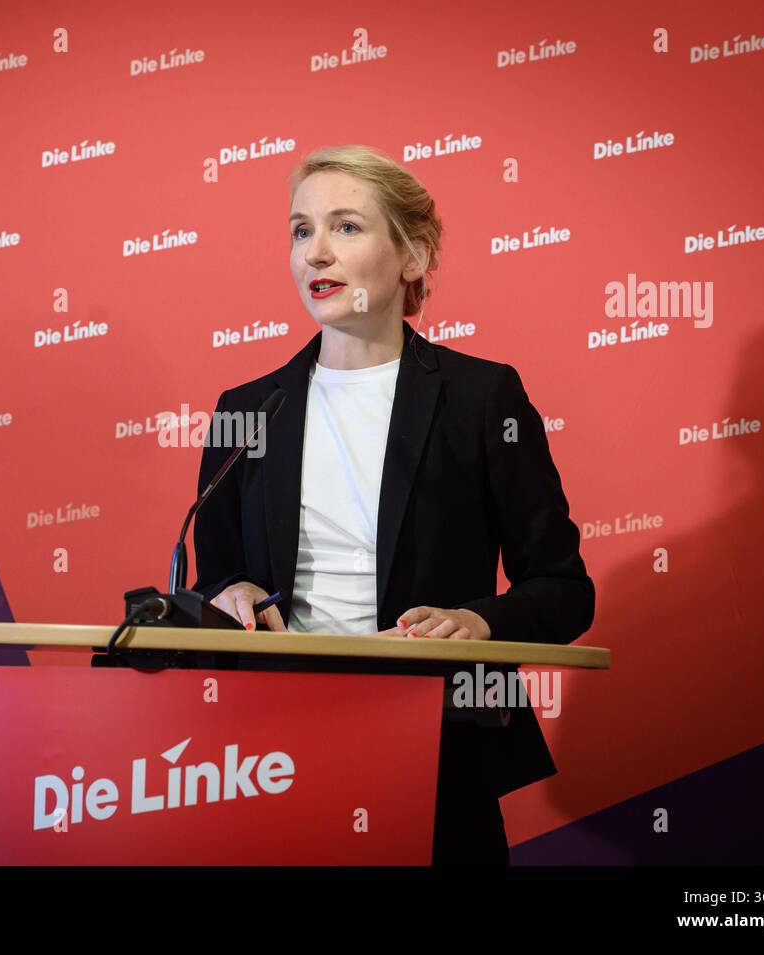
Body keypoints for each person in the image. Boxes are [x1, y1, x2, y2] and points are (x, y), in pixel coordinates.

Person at [190, 144, 595, 865]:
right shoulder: (244, 409)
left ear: (412, 256)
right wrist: (231, 591)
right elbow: (214, 579)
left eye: (346, 227)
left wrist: (480, 619)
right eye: (300, 230)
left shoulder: (482, 398)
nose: (316, 253)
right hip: (274, 753)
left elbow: (564, 591)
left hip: (439, 747)